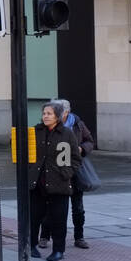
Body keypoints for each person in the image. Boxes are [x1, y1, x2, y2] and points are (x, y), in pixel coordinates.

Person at [30, 100, 80, 261]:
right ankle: (31, 245)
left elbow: (75, 158)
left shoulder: (66, 134)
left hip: (59, 183)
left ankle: (58, 250)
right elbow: (23, 153)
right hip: (38, 184)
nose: (45, 116)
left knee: (59, 219)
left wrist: (67, 173)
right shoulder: (35, 132)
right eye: (44, 113)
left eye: (49, 113)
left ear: (58, 116)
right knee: (34, 217)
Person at [41, 98, 94, 249]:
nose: (54, 114)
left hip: (74, 170)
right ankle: (44, 236)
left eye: (59, 111)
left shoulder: (77, 124)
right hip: (55, 171)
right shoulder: (49, 125)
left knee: (78, 207)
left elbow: (89, 141)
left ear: (66, 112)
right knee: (51, 205)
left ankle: (79, 237)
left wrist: (82, 149)